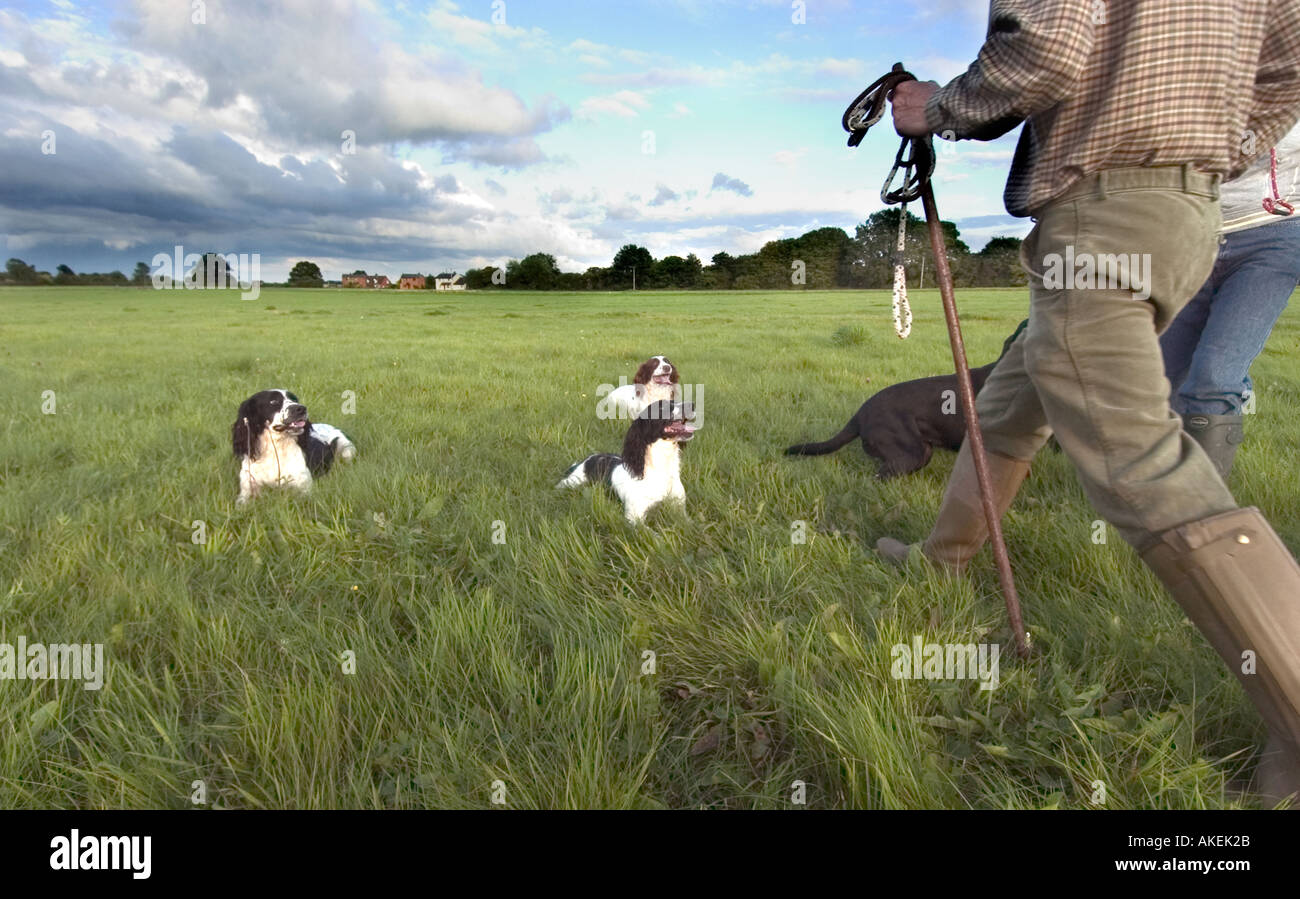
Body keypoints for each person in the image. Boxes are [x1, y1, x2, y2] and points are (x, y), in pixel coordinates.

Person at [876, 0, 1300, 805]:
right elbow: (1287, 67)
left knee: (1133, 452)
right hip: (1182, 211)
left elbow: (1047, 49)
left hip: (1103, 208)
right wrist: (1199, 150)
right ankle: (946, 559)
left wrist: (936, 107)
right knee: (1010, 400)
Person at [1159, 124, 1300, 478]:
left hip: (1273, 234)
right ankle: (1162, 491)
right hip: (1191, 237)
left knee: (1214, 376)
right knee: (1158, 381)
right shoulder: (1191, 81)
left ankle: (1202, 511)